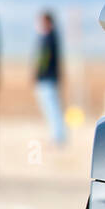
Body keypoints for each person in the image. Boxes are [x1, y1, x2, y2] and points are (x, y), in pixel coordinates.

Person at [33, 10, 66, 147]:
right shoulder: (52, 37)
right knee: (52, 107)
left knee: (52, 108)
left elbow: (44, 61)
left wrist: (39, 74)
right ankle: (57, 136)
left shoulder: (48, 39)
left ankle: (58, 137)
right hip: (49, 78)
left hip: (47, 78)